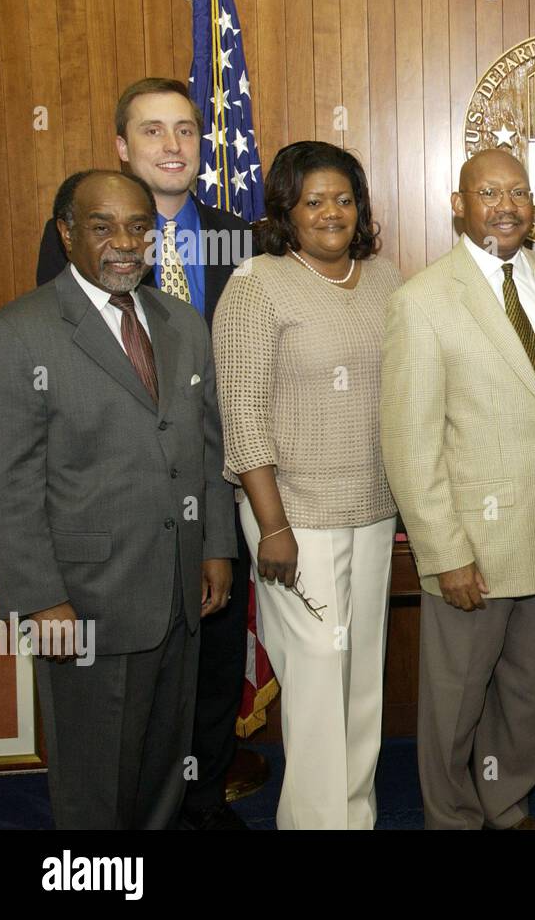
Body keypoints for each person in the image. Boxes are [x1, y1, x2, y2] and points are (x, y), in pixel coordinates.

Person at [36, 77, 255, 830]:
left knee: (209, 665)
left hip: (215, 498)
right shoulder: (67, 239)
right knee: (109, 721)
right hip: (111, 524)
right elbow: (61, 385)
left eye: (187, 130)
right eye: (153, 131)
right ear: (123, 146)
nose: (172, 145)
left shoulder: (240, 234)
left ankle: (202, 799)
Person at [0, 170, 235, 828]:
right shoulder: (20, 332)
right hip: (86, 599)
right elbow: (8, 483)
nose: (126, 243)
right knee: (96, 783)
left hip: (181, 593)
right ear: (67, 233)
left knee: (163, 773)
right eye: (103, 227)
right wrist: (42, 598)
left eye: (139, 226)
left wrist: (215, 546)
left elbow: (206, 449)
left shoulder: (181, 323)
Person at [380, 149, 535, 830]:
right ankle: (451, 817)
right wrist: (444, 551)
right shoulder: (421, 301)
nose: (506, 205)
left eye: (518, 192)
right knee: (455, 700)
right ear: (458, 203)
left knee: (530, 693)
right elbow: (410, 445)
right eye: (488, 192)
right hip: (473, 542)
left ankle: (506, 805)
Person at [213, 141, 400, 829]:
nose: (332, 212)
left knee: (360, 682)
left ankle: (355, 816)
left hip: (375, 512)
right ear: (286, 209)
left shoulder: (384, 278)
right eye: (314, 199)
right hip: (294, 518)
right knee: (319, 679)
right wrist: (273, 525)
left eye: (344, 198)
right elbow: (243, 415)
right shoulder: (257, 283)